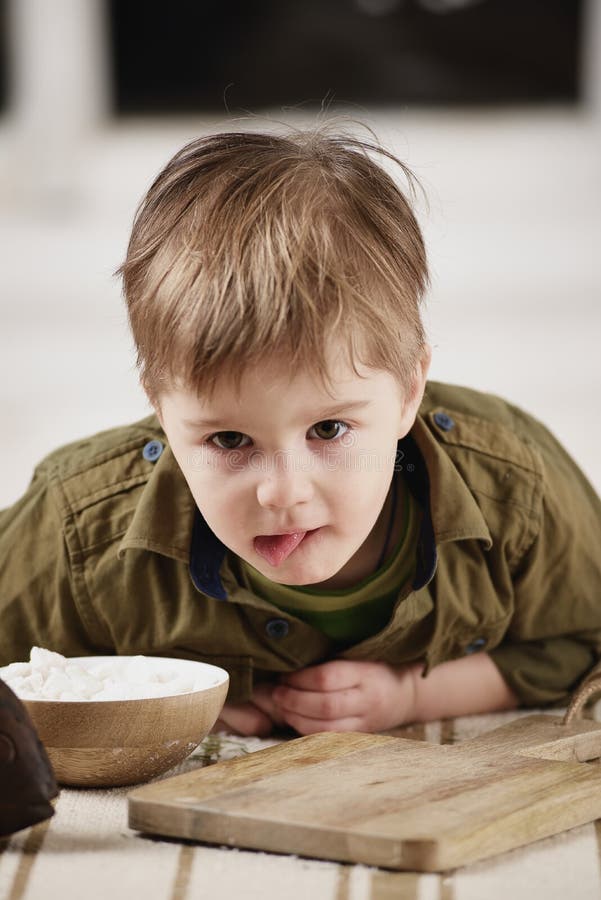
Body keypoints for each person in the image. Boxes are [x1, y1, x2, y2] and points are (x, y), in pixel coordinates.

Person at [1, 125, 600, 737]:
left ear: (408, 392)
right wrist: (164, 699)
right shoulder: (81, 528)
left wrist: (413, 696)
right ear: (161, 410)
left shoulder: (515, 486)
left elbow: (587, 638)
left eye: (330, 429)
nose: (283, 494)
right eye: (230, 441)